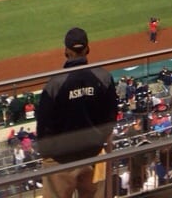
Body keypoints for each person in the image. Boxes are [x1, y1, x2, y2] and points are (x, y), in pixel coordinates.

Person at [36, 28, 117, 198]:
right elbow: (111, 116)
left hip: (60, 160)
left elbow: (43, 125)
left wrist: (49, 154)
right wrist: (99, 140)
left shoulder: (55, 83)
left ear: (66, 51)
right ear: (87, 49)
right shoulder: (103, 77)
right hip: (94, 154)